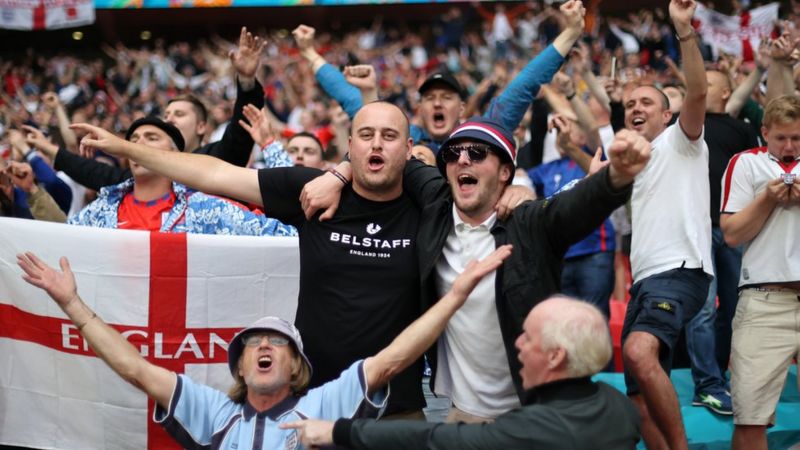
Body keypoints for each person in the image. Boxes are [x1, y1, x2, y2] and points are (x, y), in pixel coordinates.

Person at [69, 101, 427, 416]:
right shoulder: (312, 193)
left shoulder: (431, 207)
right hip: (312, 407)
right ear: (350, 146)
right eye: (365, 134)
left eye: (389, 136)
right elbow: (215, 174)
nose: (377, 143)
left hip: (397, 411)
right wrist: (123, 147)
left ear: (409, 148)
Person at [304, 115, 649, 422]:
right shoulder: (436, 203)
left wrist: (616, 176)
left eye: (478, 153)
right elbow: (384, 151)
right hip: (461, 415)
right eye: (453, 154)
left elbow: (574, 209)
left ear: (504, 172)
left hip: (532, 414)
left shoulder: (530, 223)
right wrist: (340, 171)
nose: (463, 159)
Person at [15, 243, 512, 450]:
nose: (263, 347)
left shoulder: (324, 403)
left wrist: (458, 294)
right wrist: (72, 302)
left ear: (296, 364)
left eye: (277, 342)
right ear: (240, 367)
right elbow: (134, 368)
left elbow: (396, 358)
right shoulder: (212, 411)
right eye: (251, 344)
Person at [280, 296, 641, 450]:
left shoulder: (536, 430)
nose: (517, 344)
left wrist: (338, 430)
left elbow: (432, 440)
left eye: (528, 338)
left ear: (555, 356)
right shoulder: (618, 406)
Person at [298, 0, 587, 153]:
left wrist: (571, 33)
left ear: (461, 108)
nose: (437, 103)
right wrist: (310, 53)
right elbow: (350, 98)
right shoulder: (404, 138)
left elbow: (523, 84)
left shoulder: (481, 135)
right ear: (418, 109)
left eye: (447, 97)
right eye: (430, 98)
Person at [620, 1, 713, 448]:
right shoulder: (632, 161)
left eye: (645, 102)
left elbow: (696, 93)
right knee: (637, 392)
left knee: (640, 352)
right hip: (645, 281)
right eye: (628, 104)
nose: (635, 108)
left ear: (665, 116)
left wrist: (684, 30)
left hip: (679, 270)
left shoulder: (682, 141)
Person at [48, 27, 267, 192]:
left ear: (202, 126)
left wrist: (246, 80)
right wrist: (44, 148)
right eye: (166, 115)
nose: (169, 120)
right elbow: (96, 173)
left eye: (179, 114)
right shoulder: (149, 172)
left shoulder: (217, 158)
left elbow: (240, 135)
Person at [720, 95, 800, 450]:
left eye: (797, 138)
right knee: (750, 417)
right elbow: (733, 234)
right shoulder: (745, 163)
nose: (789, 146)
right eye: (781, 137)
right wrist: (767, 200)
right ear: (764, 132)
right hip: (764, 299)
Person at [68, 117, 296, 236]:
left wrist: (271, 146)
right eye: (133, 141)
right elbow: (55, 243)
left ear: (176, 155)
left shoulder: (207, 210)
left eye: (152, 139)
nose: (140, 145)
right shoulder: (99, 210)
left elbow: (287, 235)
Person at [683, 69, 760, 416]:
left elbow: (756, 175)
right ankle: (707, 384)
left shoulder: (740, 129)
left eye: (707, 82)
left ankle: (719, 374)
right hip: (694, 228)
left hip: (731, 228)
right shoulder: (683, 126)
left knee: (732, 309)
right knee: (700, 311)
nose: (697, 87)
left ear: (726, 91)